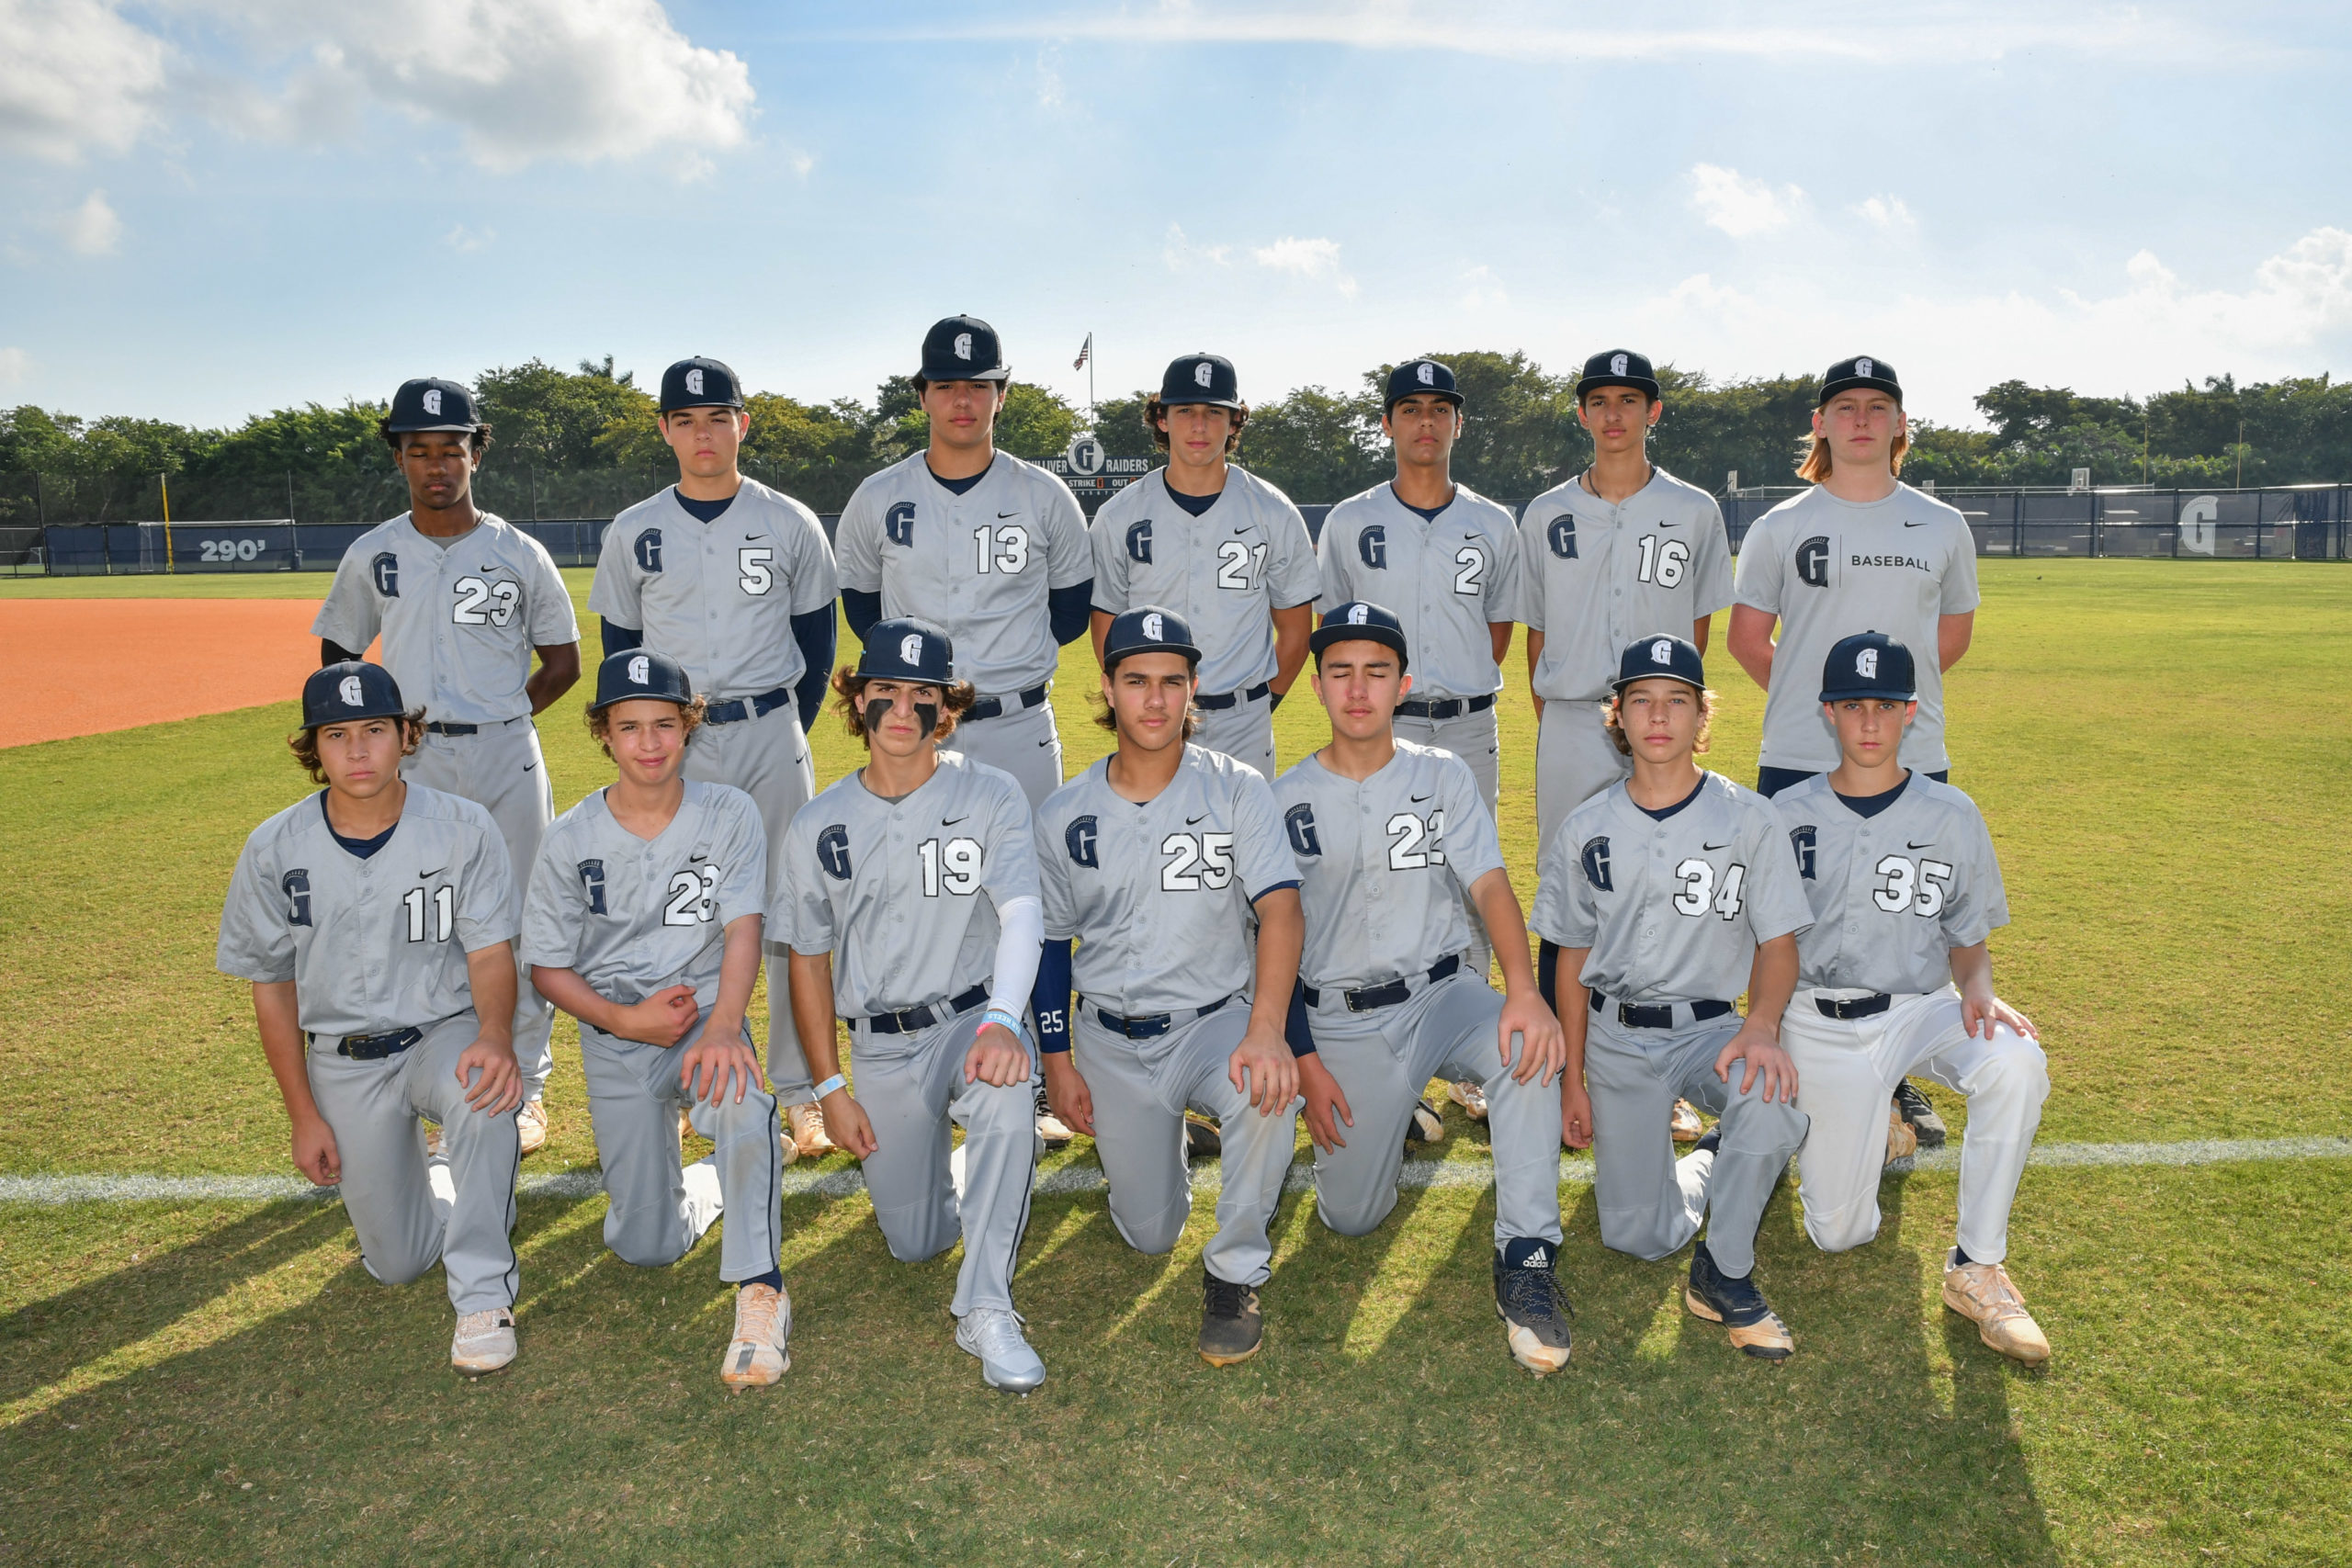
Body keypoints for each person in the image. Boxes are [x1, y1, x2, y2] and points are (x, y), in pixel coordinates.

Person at [1275, 603, 1574, 1375]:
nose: (1359, 688)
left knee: (1526, 1051)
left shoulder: (1439, 774)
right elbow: (1267, 947)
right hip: (1343, 1019)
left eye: (1376, 670)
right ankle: (1396, 1105)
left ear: (1402, 683)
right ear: (1318, 685)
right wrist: (1304, 1059)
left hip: (1444, 995)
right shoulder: (1285, 796)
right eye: (1341, 671)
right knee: (1351, 1217)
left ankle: (1529, 1259)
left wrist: (1523, 992)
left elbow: (1490, 884)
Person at [217, 661, 525, 1375]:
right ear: (313, 748)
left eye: (375, 730)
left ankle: (483, 1294)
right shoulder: (274, 847)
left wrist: (496, 1036)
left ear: (407, 735)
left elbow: (489, 953)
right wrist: (303, 1113)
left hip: (441, 1031)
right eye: (337, 734)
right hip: (342, 1059)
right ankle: (451, 1184)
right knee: (397, 1263)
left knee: (483, 1093)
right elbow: (271, 986)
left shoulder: (461, 827)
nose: (358, 751)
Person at [832, 316, 1095, 1151]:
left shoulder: (1042, 494)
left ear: (1001, 395)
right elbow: (864, 612)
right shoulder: (879, 497)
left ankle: (1048, 1066)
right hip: (915, 734)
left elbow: (1065, 613)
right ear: (922, 396)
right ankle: (940, 1071)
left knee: (1037, 904)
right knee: (923, 898)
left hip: (1017, 724)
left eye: (978, 385)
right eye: (946, 385)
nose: (962, 399)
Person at [776, 618, 1050, 1393]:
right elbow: (806, 956)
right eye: (884, 691)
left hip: (971, 1018)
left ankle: (986, 1303)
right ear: (857, 701)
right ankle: (957, 1165)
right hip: (882, 1046)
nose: (902, 709)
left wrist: (1002, 1018)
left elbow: (1023, 912)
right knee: (915, 1241)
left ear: (948, 709)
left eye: (922, 694)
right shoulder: (818, 822)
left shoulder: (988, 792)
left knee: (1002, 1093)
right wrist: (829, 1089)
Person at [312, 378, 580, 1157]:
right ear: (399, 457)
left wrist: (507, 711)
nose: (437, 465)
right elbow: (339, 657)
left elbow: (562, 662)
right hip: (415, 761)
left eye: (452, 449)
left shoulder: (516, 551)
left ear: (475, 453)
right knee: (427, 920)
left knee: (525, 919)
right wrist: (381, 734)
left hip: (503, 752)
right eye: (420, 450)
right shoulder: (375, 553)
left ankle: (526, 1086)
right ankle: (447, 1084)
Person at [1032, 606, 1305, 1366]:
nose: (1155, 699)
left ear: (1194, 692)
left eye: (1172, 683)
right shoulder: (1065, 813)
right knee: (1150, 1233)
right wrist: (1057, 1062)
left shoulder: (1237, 789)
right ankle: (1164, 1135)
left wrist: (1267, 1028)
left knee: (1262, 1088)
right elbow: (1052, 945)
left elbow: (1281, 909)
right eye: (1138, 681)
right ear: (1110, 690)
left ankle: (1235, 1271)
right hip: (1111, 1037)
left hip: (1216, 1021)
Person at [1771, 632, 2052, 1366]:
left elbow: (1966, 932)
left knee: (2017, 1061)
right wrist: (1762, 1027)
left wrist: (1982, 990)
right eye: (1854, 705)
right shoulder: (1784, 811)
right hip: (1818, 1019)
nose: (1870, 721)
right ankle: (1876, 1121)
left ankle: (1977, 1265)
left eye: (1886, 706)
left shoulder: (1951, 813)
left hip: (1918, 1007)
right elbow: (1763, 940)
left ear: (1912, 712)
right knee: (1837, 1233)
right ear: (1828, 711)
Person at [588, 356, 840, 1164]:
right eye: (686, 420)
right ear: (664, 429)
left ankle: (802, 1091)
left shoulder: (791, 520)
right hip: (674, 744)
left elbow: (818, 641)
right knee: (685, 909)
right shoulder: (634, 528)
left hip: (769, 729)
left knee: (790, 912)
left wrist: (777, 726)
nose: (703, 433)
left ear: (743, 423)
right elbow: (620, 653)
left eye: (718, 418)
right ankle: (704, 1075)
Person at [1532, 635, 1811, 1359]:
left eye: (1677, 701)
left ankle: (1724, 1270)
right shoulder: (1586, 826)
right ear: (1616, 715)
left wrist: (1761, 1025)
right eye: (1641, 701)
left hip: (1710, 1029)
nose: (1659, 716)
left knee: (1773, 1100)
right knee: (1636, 1235)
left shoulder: (1749, 817)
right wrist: (1574, 1080)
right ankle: (1718, 1156)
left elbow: (1779, 943)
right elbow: (1568, 959)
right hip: (1619, 1035)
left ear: (1700, 715)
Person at [1728, 355, 1980, 1151]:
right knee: (1785, 920)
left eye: (1879, 406)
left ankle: (1897, 1076)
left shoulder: (1942, 524)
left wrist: (1884, 717)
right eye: (1846, 407)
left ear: (1901, 424)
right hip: (1800, 754)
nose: (1862, 419)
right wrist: (1828, 710)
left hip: (1909, 754)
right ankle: (1777, 1055)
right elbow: (1745, 637)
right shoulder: (1780, 525)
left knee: (1900, 919)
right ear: (1821, 425)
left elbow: (1951, 638)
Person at [522, 649, 789, 1387]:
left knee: (741, 1100)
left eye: (665, 725)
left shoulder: (727, 812)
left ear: (688, 727)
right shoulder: (571, 836)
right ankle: (709, 1181)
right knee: (646, 1246)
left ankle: (761, 1289)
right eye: (629, 725)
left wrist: (726, 1025)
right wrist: (623, 1017)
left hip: (705, 1019)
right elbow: (545, 965)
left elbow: (744, 927)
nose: (648, 742)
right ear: (603, 732)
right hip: (618, 1036)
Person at [1518, 350, 1737, 1148]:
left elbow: (1701, 630)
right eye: (1599, 401)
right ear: (1581, 413)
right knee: (1569, 895)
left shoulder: (1693, 508)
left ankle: (1661, 1072)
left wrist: (1666, 710)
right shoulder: (1544, 512)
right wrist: (1570, 716)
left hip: (1661, 715)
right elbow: (1534, 637)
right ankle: (1564, 1070)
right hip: (1576, 719)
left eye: (1629, 400)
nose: (1614, 414)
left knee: (1661, 882)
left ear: (1654, 412)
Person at [1316, 358, 1521, 1128]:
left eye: (1441, 410)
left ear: (1458, 424)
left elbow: (1497, 630)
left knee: (1472, 878)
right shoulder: (1349, 519)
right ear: (1388, 424)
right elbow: (1334, 634)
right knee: (1380, 872)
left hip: (1468, 720)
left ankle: (1469, 1059)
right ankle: (1381, 1039)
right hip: (1382, 724)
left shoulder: (1493, 522)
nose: (1426, 423)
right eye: (1411, 410)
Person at [1088, 354, 1318, 780]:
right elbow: (1105, 623)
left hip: (1242, 721)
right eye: (1185, 411)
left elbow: (1295, 631)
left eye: (1214, 412)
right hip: (1152, 717)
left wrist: (1262, 702)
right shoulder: (1120, 514)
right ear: (1162, 419)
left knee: (1245, 845)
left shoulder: (1273, 511)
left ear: (1234, 422)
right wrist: (1133, 700)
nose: (1199, 426)